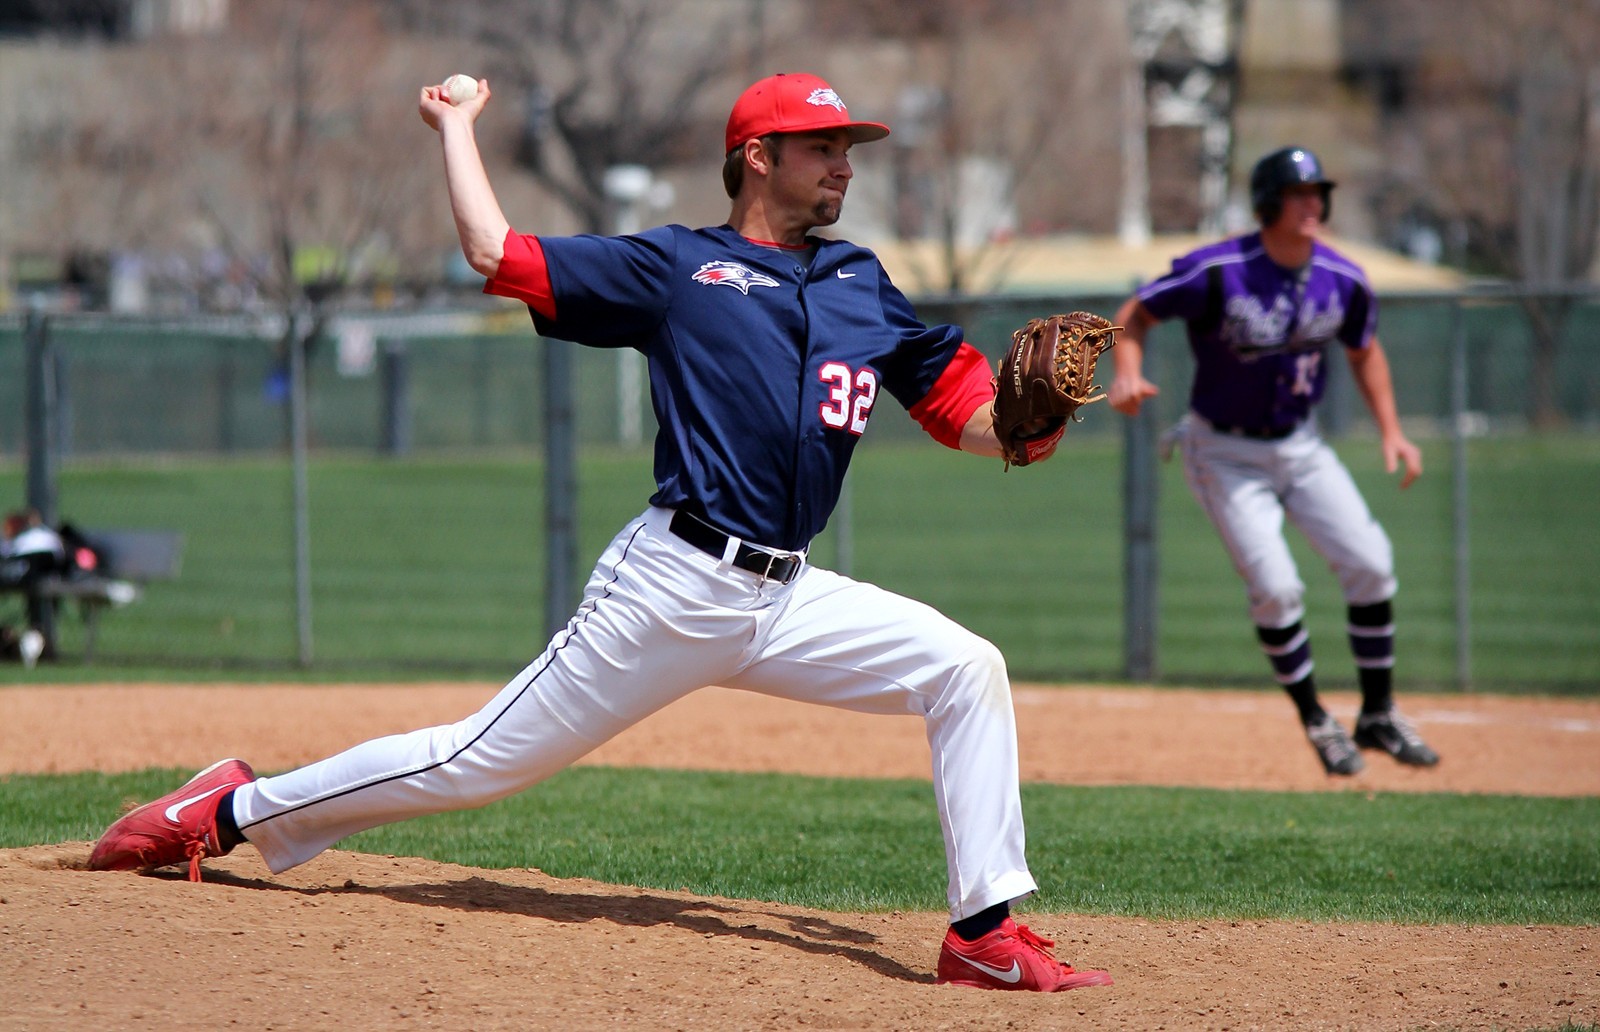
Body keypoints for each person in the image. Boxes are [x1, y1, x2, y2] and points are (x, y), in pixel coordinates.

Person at [87, 72, 1112, 994]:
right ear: (757, 158)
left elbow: (964, 416)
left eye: (847, 148)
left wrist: (1030, 424)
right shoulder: (679, 268)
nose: (844, 164)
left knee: (964, 668)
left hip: (788, 594)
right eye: (822, 146)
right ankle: (226, 811)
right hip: (672, 584)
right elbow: (498, 254)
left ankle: (982, 933)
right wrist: (455, 125)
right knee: (478, 762)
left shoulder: (859, 283)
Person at [1106, 145, 1440, 777]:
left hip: (1300, 444)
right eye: (1300, 193)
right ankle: (1318, 719)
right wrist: (1127, 372)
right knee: (1278, 586)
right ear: (1268, 202)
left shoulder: (1342, 277)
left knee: (1372, 564)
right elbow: (1136, 314)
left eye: (1320, 192)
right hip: (1223, 451)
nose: (1314, 203)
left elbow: (1364, 349)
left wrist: (1393, 431)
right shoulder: (1218, 270)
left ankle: (1376, 714)